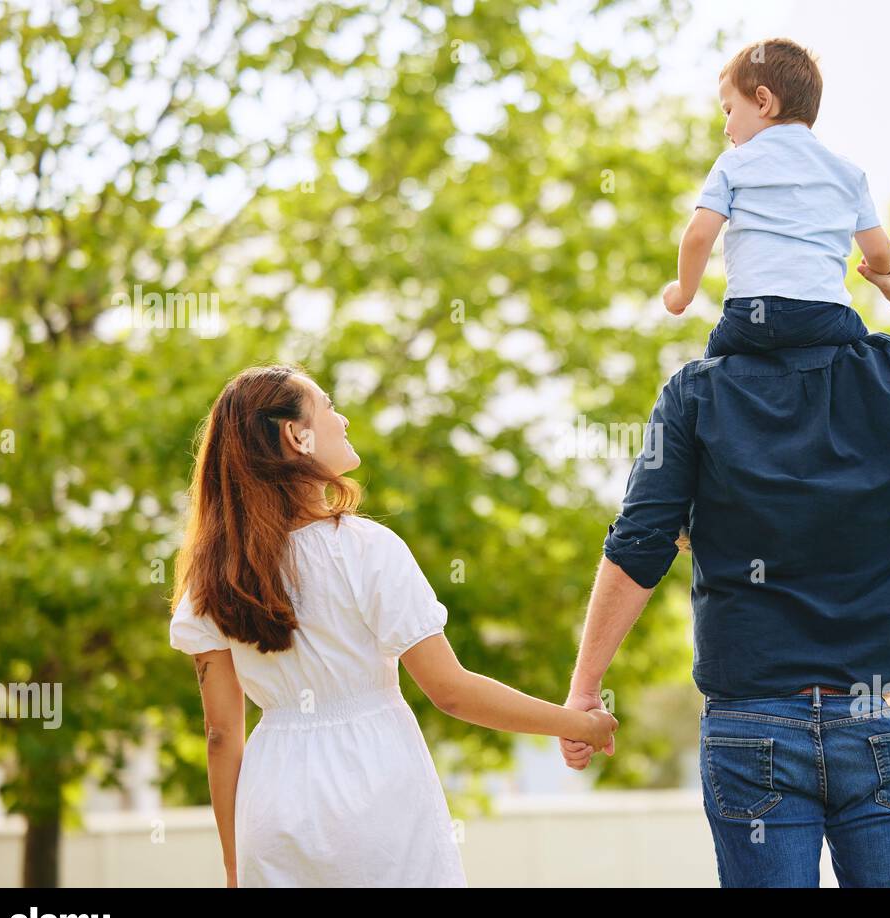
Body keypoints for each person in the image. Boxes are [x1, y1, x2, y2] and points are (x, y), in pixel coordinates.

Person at [561, 244, 890, 887]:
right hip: (880, 721)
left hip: (753, 727)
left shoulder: (696, 394)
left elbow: (639, 545)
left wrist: (585, 688)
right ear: (832, 271)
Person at [169, 364, 616, 887]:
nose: (343, 418)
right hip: (376, 795)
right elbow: (450, 691)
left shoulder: (211, 579)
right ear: (297, 434)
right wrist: (580, 724)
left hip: (272, 806)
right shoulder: (365, 549)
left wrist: (233, 867)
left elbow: (222, 736)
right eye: (329, 406)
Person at [661, 37, 890, 359]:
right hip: (825, 316)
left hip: (753, 314)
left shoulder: (734, 162)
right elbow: (880, 255)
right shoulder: (848, 174)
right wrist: (879, 264)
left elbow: (699, 236)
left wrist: (683, 292)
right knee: (861, 356)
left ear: (762, 101)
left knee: (713, 370)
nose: (727, 127)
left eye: (728, 110)